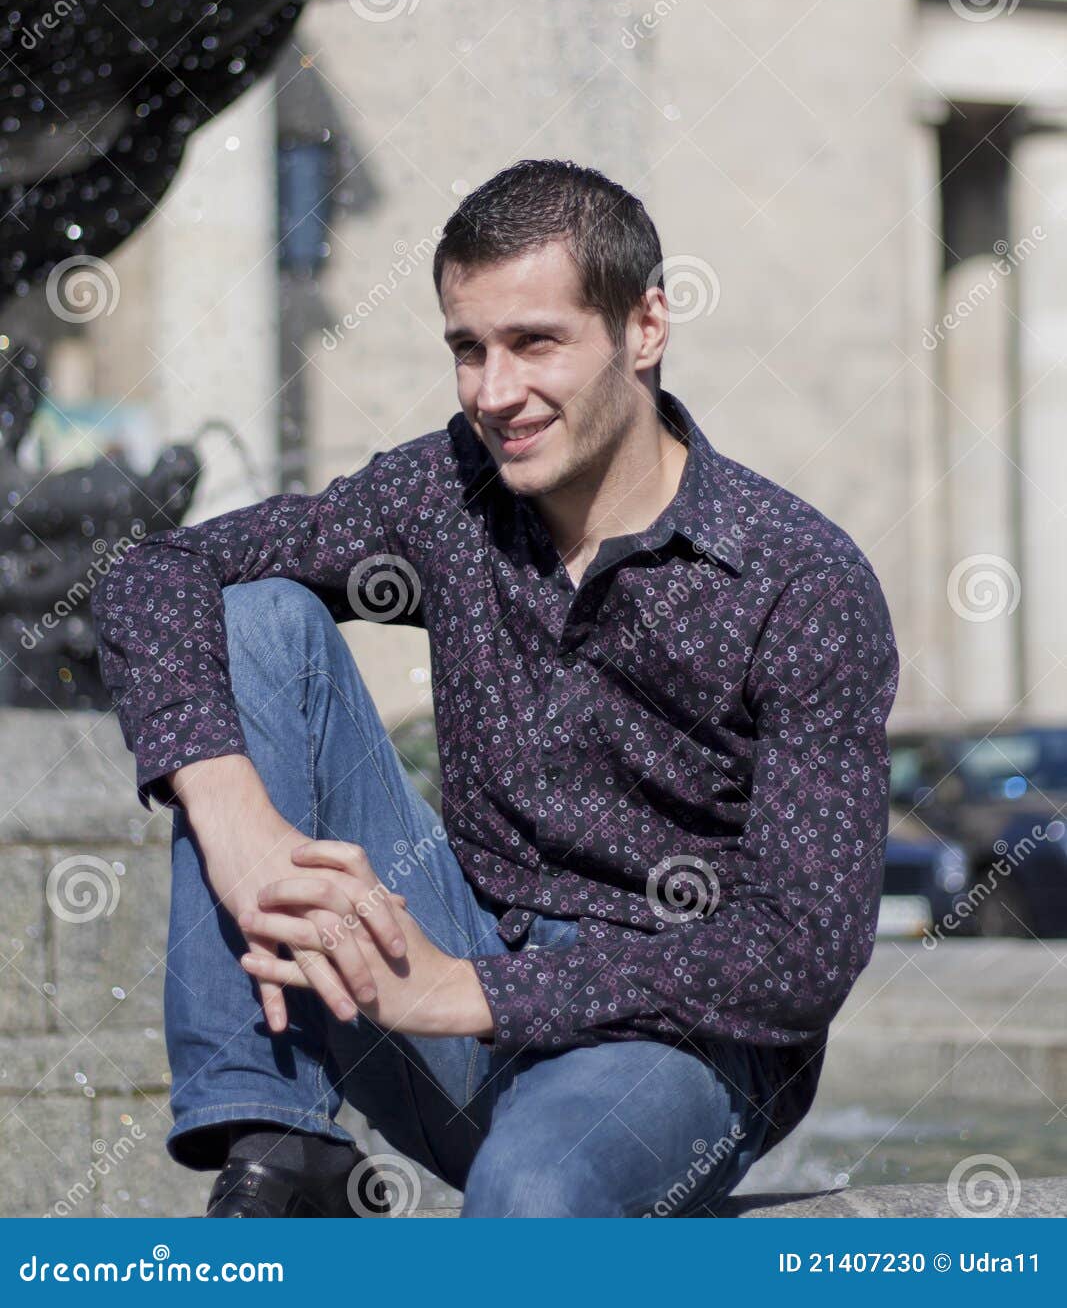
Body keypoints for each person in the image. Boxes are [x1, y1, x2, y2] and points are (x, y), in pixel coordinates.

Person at [90, 158, 899, 1218]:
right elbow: (153, 574)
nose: (492, 391)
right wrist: (234, 813)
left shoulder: (797, 578)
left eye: (534, 343)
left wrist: (469, 990)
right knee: (256, 616)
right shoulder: (446, 494)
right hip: (432, 967)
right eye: (466, 348)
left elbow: (800, 953)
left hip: (666, 1046)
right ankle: (281, 1140)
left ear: (644, 326)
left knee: (534, 1191)